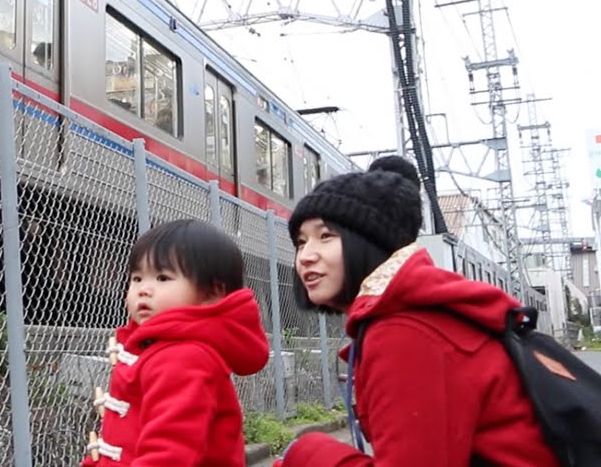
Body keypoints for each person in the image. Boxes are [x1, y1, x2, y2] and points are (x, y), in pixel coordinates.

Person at [275, 156, 558, 466]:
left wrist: (307, 454)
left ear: (370, 243)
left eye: (325, 236)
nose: (305, 256)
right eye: (300, 242)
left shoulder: (405, 332)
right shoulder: (416, 316)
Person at [83, 218, 269, 467]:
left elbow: (170, 453)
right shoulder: (158, 349)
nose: (143, 289)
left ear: (212, 293)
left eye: (162, 278)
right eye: (137, 278)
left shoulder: (185, 359)